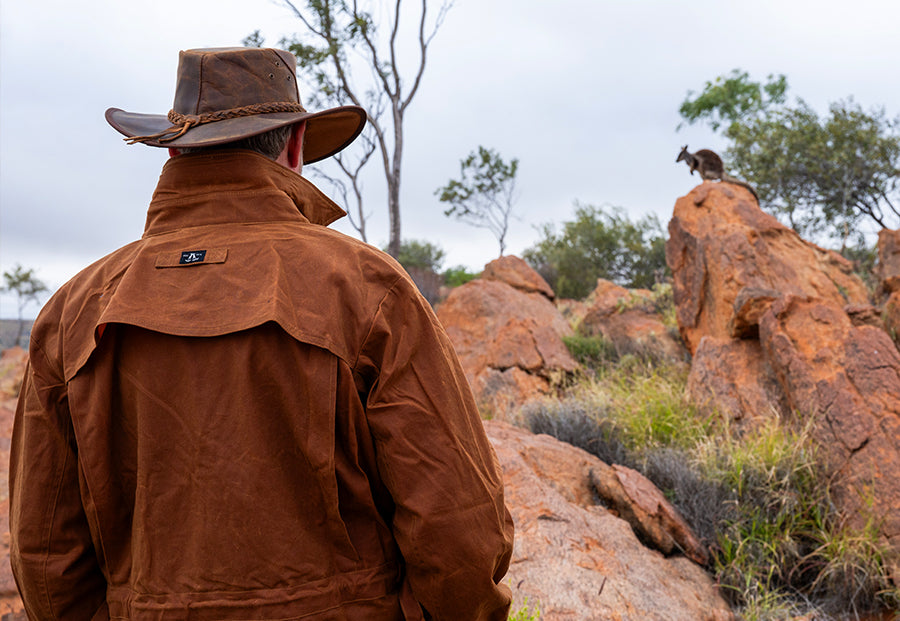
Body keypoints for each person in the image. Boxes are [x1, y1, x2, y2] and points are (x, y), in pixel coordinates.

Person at [10, 47, 514, 620]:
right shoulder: (367, 288)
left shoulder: (72, 311)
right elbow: (458, 529)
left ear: (173, 149)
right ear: (295, 146)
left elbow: (44, 552)